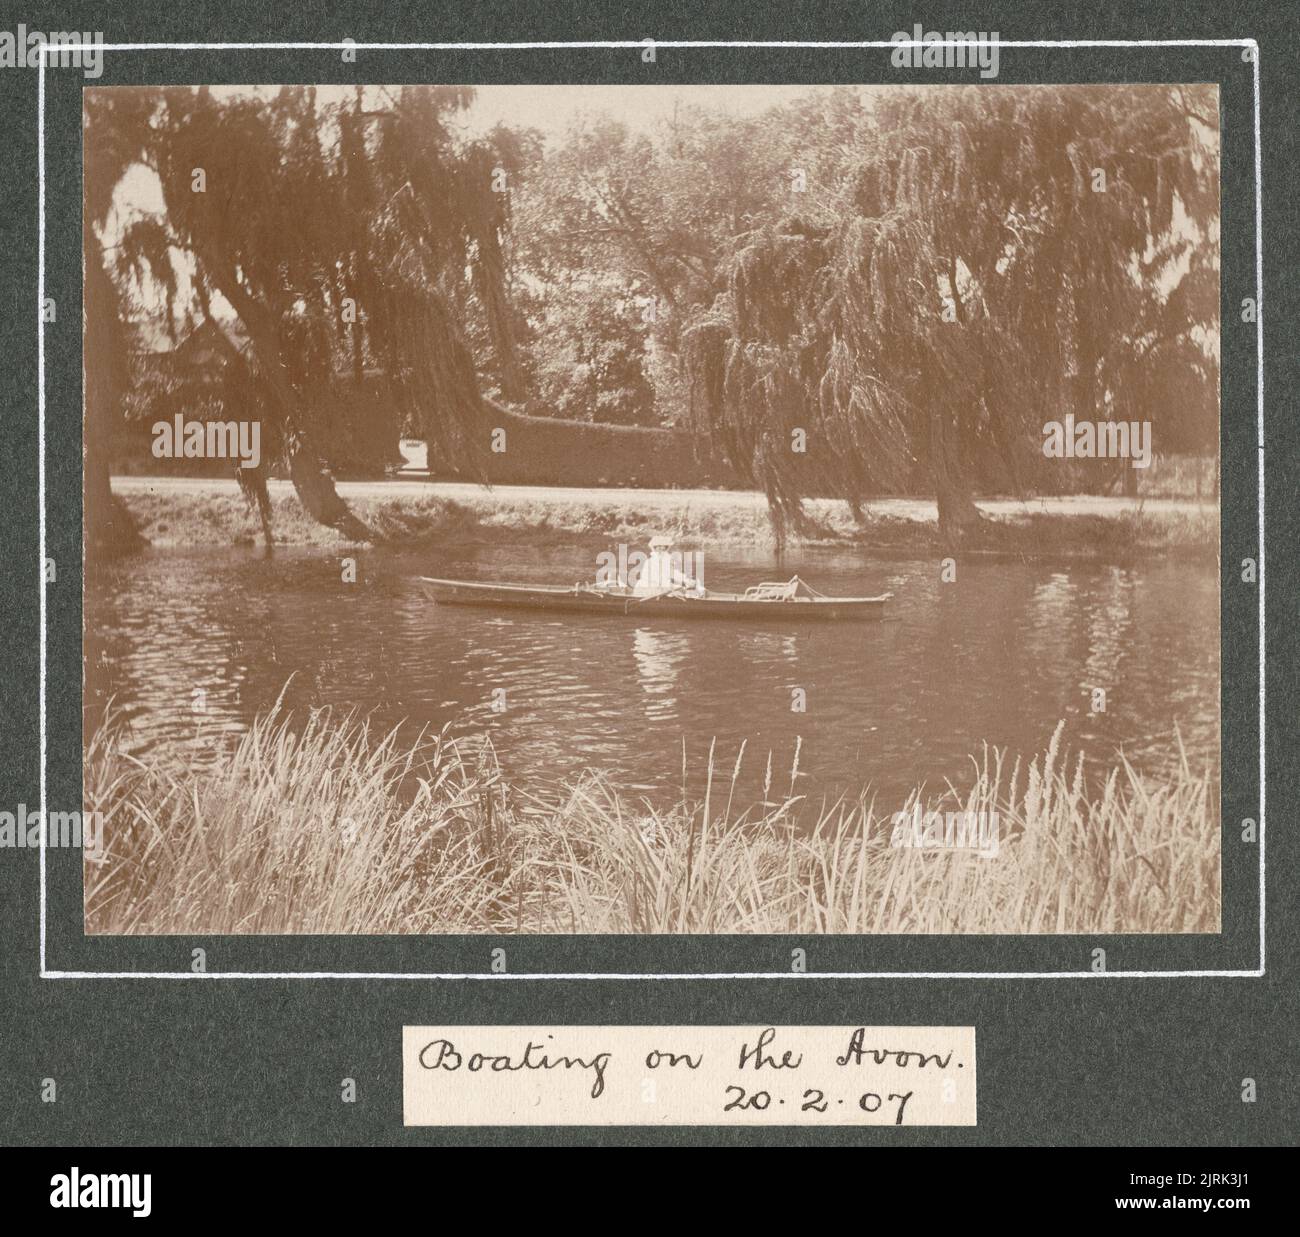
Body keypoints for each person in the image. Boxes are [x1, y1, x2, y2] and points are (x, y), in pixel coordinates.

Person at [633, 536, 703, 596]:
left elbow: (674, 574)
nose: (661, 549)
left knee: (690, 587)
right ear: (654, 548)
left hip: (662, 588)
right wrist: (674, 586)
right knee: (679, 591)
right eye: (658, 547)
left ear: (666, 548)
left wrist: (687, 581)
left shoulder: (666, 560)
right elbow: (657, 580)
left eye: (663, 547)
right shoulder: (650, 562)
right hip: (649, 589)